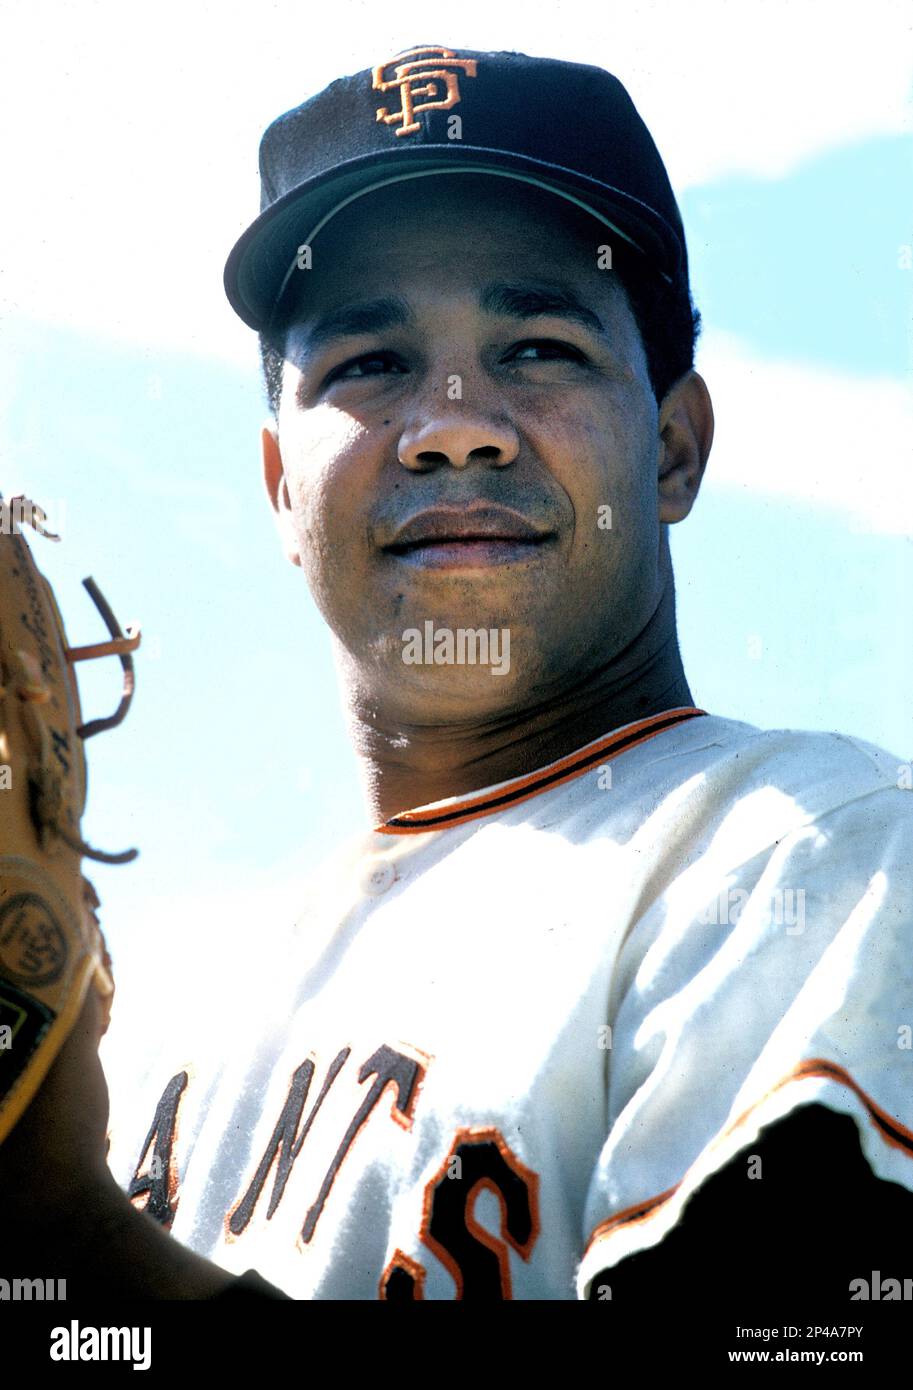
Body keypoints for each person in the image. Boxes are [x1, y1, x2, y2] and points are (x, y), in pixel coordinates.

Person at [5, 44, 912, 1307]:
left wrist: (72, 1235)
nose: (452, 423)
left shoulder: (813, 855)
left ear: (677, 448)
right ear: (278, 486)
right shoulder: (144, 1020)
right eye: (366, 365)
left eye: (538, 346)